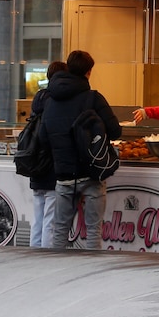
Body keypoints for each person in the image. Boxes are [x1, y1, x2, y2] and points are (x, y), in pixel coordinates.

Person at [41, 50, 121, 250]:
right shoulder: (93, 98)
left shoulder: (50, 101)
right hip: (91, 172)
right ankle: (91, 268)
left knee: (60, 230)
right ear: (89, 72)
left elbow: (43, 137)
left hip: (63, 175)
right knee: (93, 230)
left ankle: (58, 267)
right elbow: (115, 131)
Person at [28, 61, 65, 248]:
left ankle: (34, 253)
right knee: (50, 220)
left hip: (36, 166)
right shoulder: (57, 101)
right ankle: (45, 257)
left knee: (38, 219)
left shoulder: (39, 97)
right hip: (51, 167)